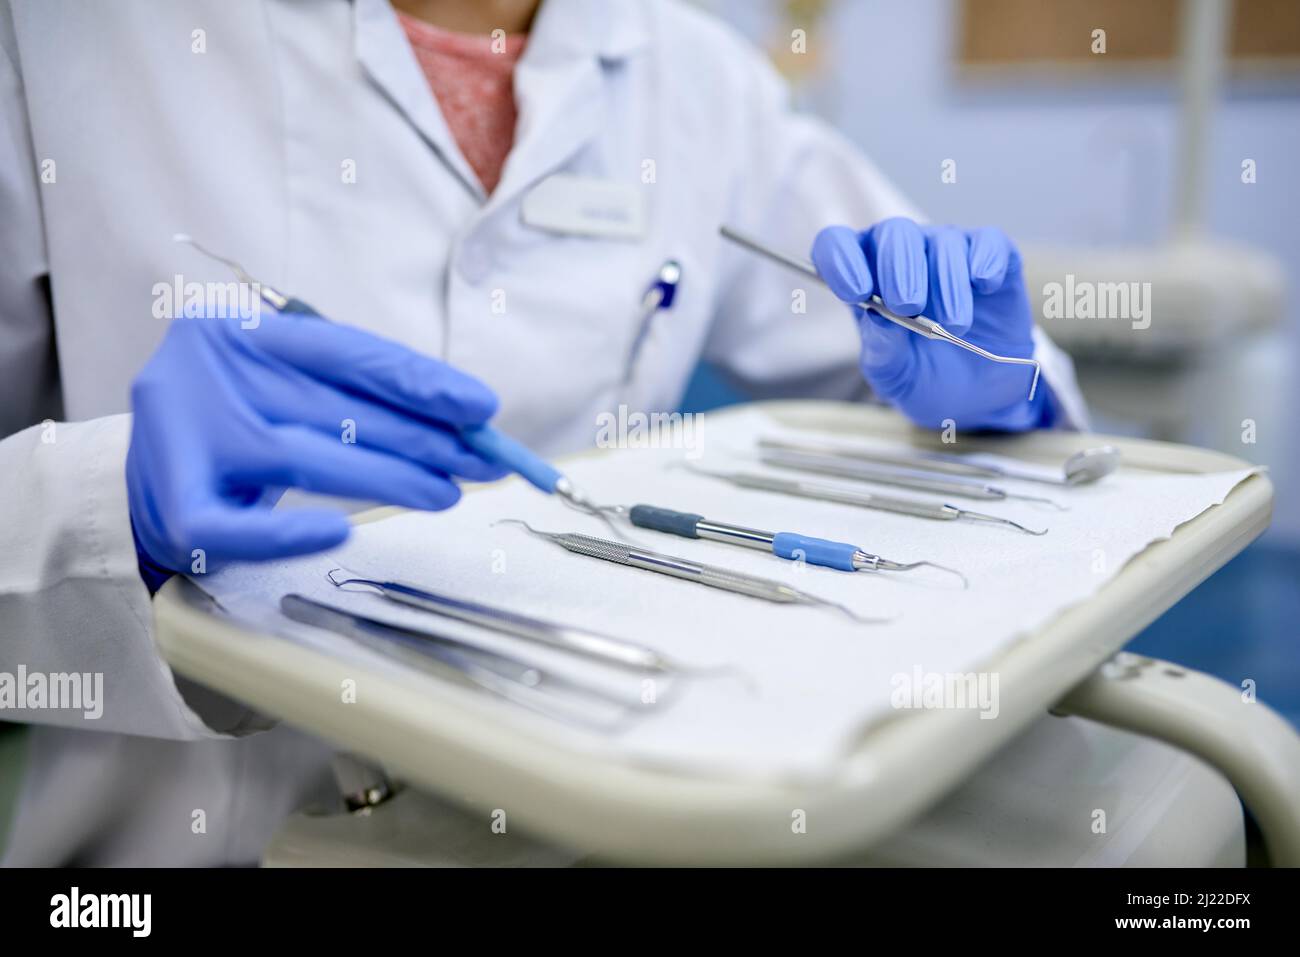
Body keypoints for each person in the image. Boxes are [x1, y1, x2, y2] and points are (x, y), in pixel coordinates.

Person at [0, 0, 1086, 865]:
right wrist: (110, 509)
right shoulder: (67, 34)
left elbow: (932, 394)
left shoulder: (692, 76)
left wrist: (993, 388)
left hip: (611, 824)